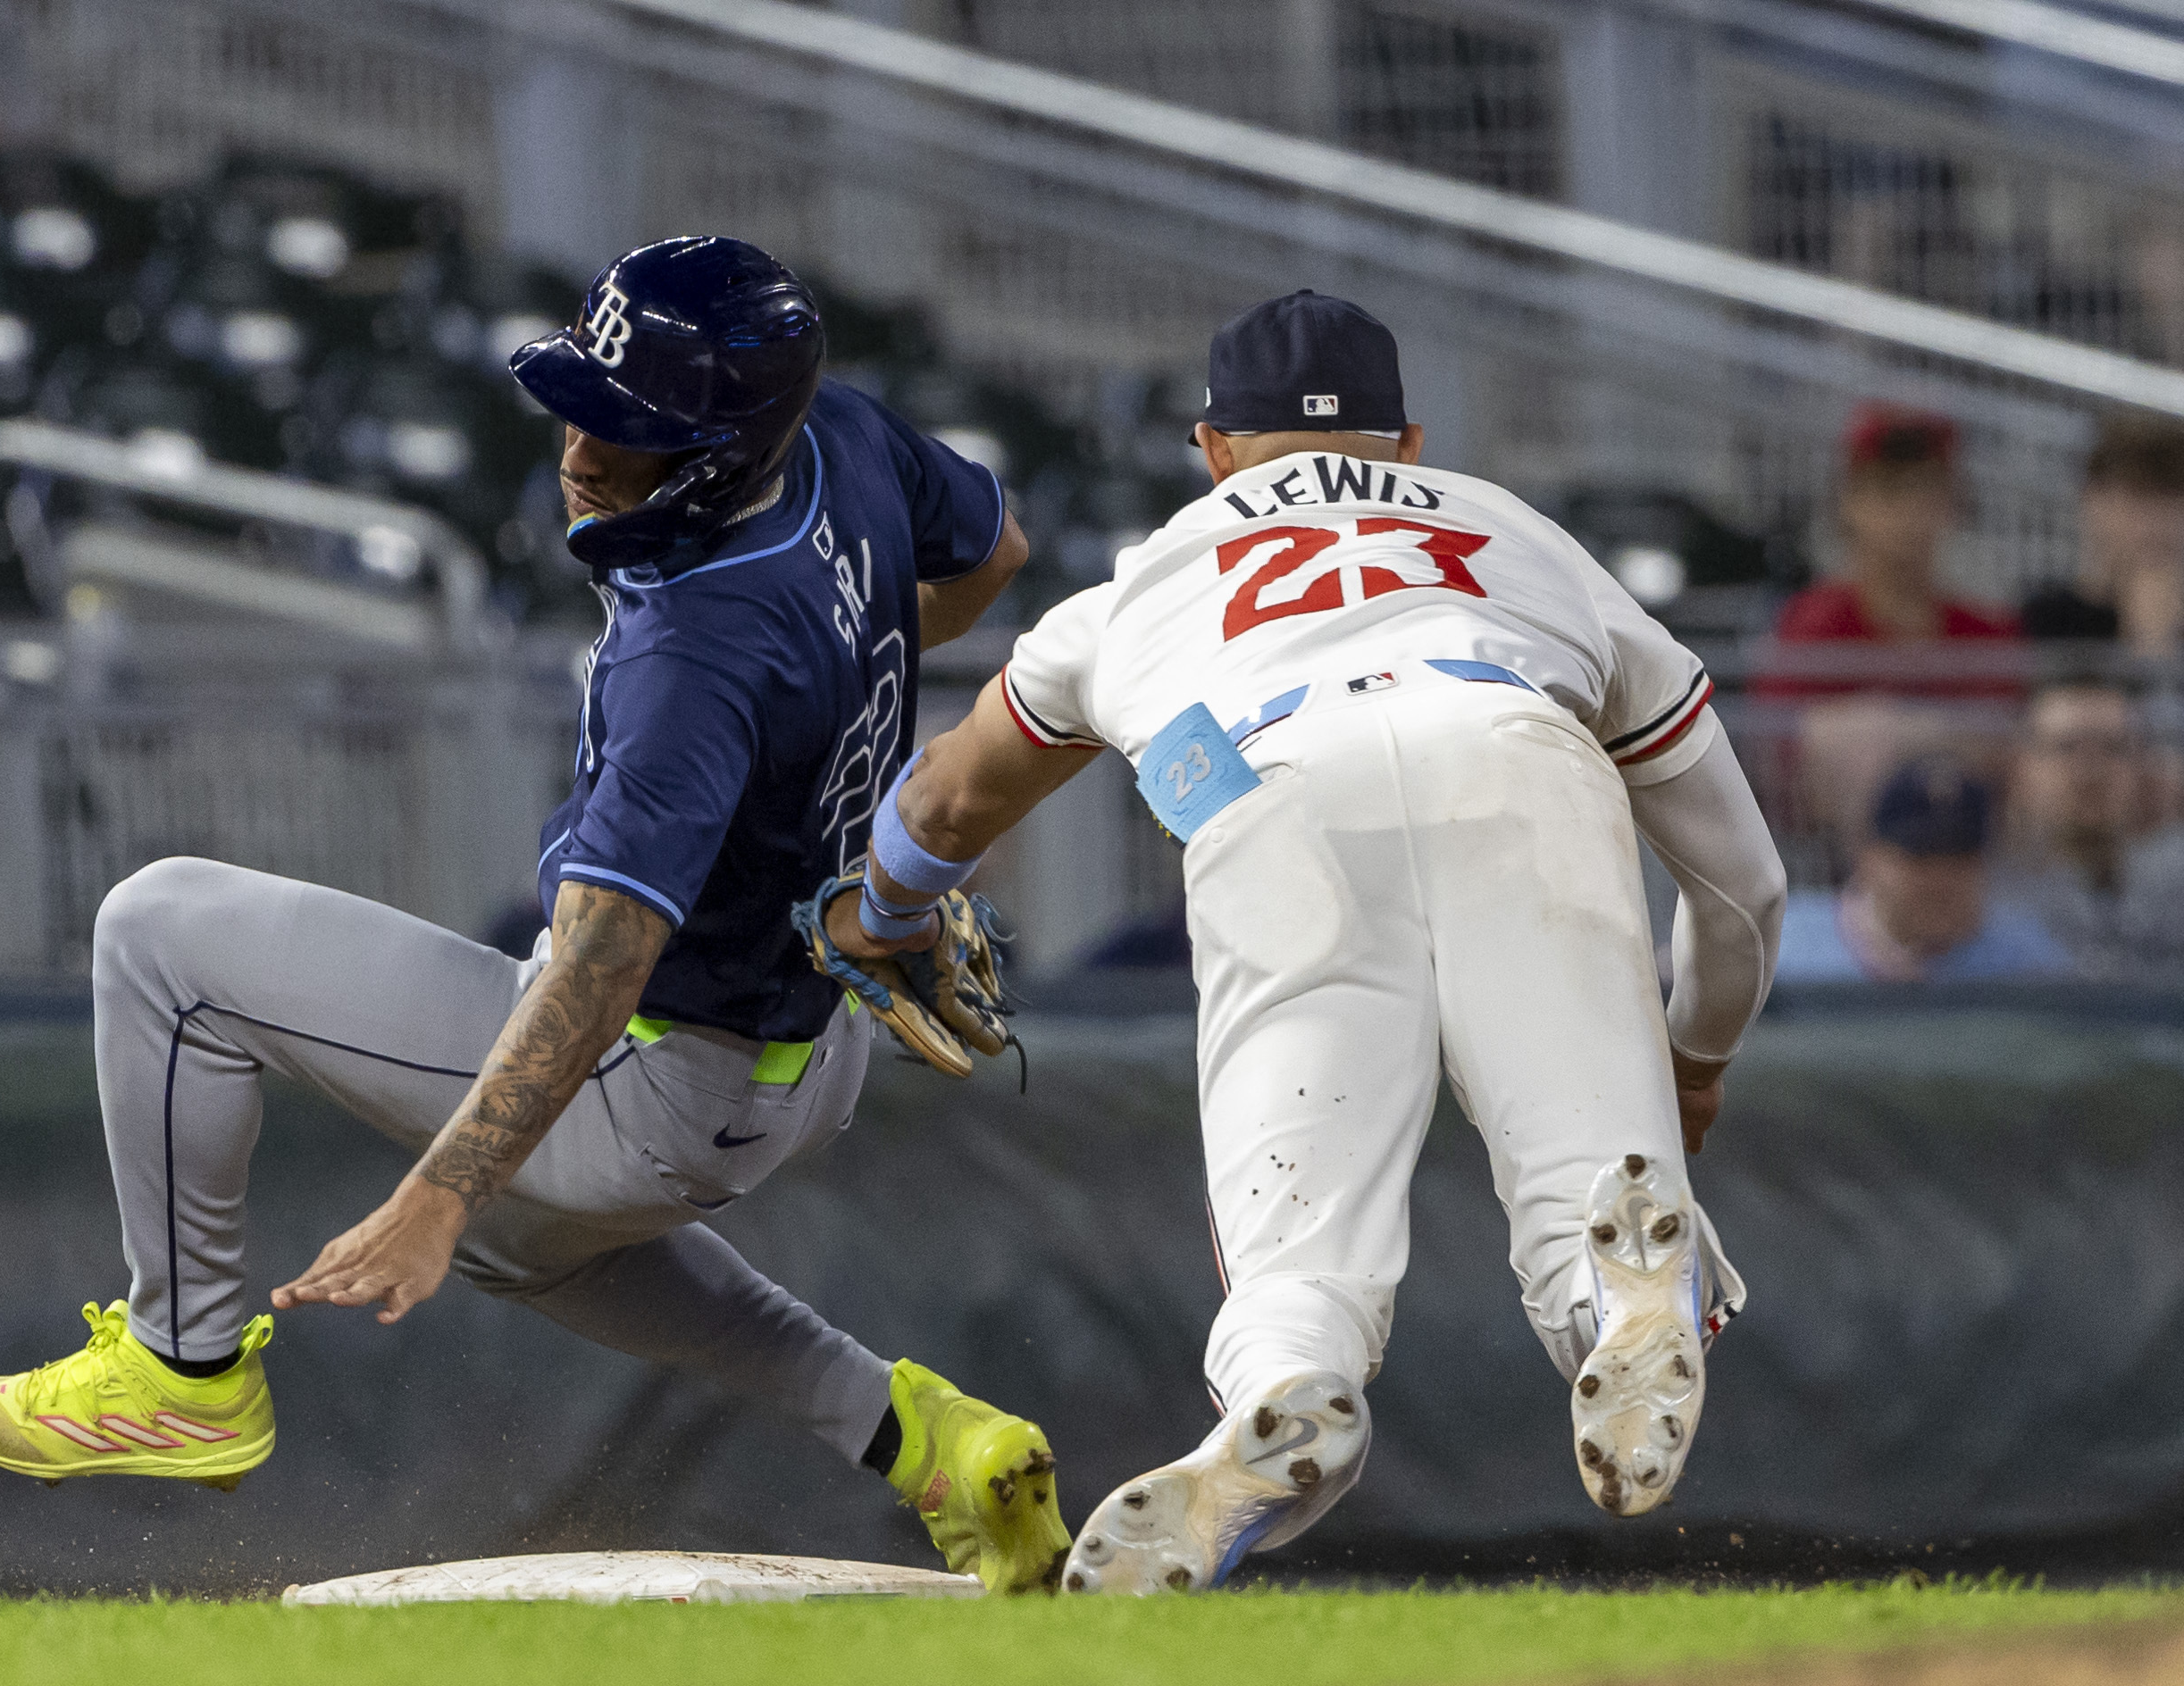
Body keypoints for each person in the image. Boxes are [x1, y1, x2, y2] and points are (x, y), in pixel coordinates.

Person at [0, 238, 1073, 1596]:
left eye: (625, 428)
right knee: (518, 1241)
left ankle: (181, 1371)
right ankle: (925, 1440)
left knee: (159, 935)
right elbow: (997, 548)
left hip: (663, 1073)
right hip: (816, 1044)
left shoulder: (698, 645)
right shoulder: (837, 436)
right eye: (581, 404)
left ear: (718, 448)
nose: (580, 449)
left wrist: (436, 1190)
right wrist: (824, 694)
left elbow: (602, 960)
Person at [819, 291, 1787, 1592]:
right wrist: (1696, 1055)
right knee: (1594, 1192)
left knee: (1296, 1260)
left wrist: (881, 913)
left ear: (1215, 449)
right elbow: (1743, 884)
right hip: (1514, 747)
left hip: (1270, 787)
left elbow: (944, 799)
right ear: (1409, 443)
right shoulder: (1521, 537)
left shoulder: (1145, 580)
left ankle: (1284, 1386)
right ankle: (1625, 1281)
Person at [1758, 404, 2023, 700]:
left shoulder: (1987, 636)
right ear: (1849, 502)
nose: (1909, 512)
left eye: (1926, 488)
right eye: (1889, 489)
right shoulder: (1813, 628)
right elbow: (1774, 723)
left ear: (1953, 502)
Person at [1776, 757, 2071, 983]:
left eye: (1960, 857)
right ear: (1869, 859)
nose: (1941, 881)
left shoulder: (2030, 962)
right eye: (1921, 857)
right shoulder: (1784, 947)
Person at [1997, 676, 2184, 978]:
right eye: (2067, 748)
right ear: (2023, 767)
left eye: (2113, 748)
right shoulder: (1980, 894)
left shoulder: (2174, 883)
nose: (2090, 771)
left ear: (2142, 766)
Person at [2021, 416, 2184, 659]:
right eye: (2139, 497)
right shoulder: (2041, 622)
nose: (2158, 522)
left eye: (2173, 499)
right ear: (2093, 501)